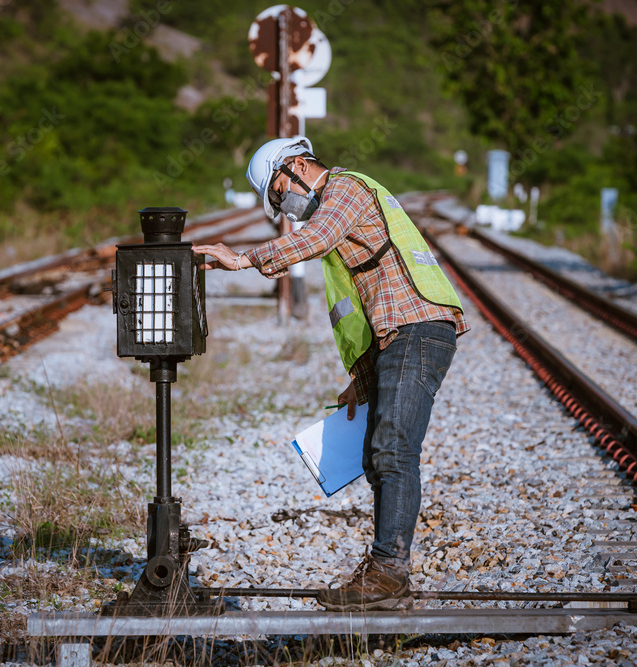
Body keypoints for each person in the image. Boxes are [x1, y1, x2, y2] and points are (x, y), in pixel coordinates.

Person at [192, 136, 469, 611]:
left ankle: (389, 572)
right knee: (376, 454)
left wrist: (240, 258)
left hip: (418, 330)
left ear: (298, 165)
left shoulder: (345, 190)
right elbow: (365, 307)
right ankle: (386, 572)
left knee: (393, 449)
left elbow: (312, 239)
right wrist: (361, 380)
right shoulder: (339, 221)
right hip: (399, 335)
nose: (282, 204)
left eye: (279, 191)